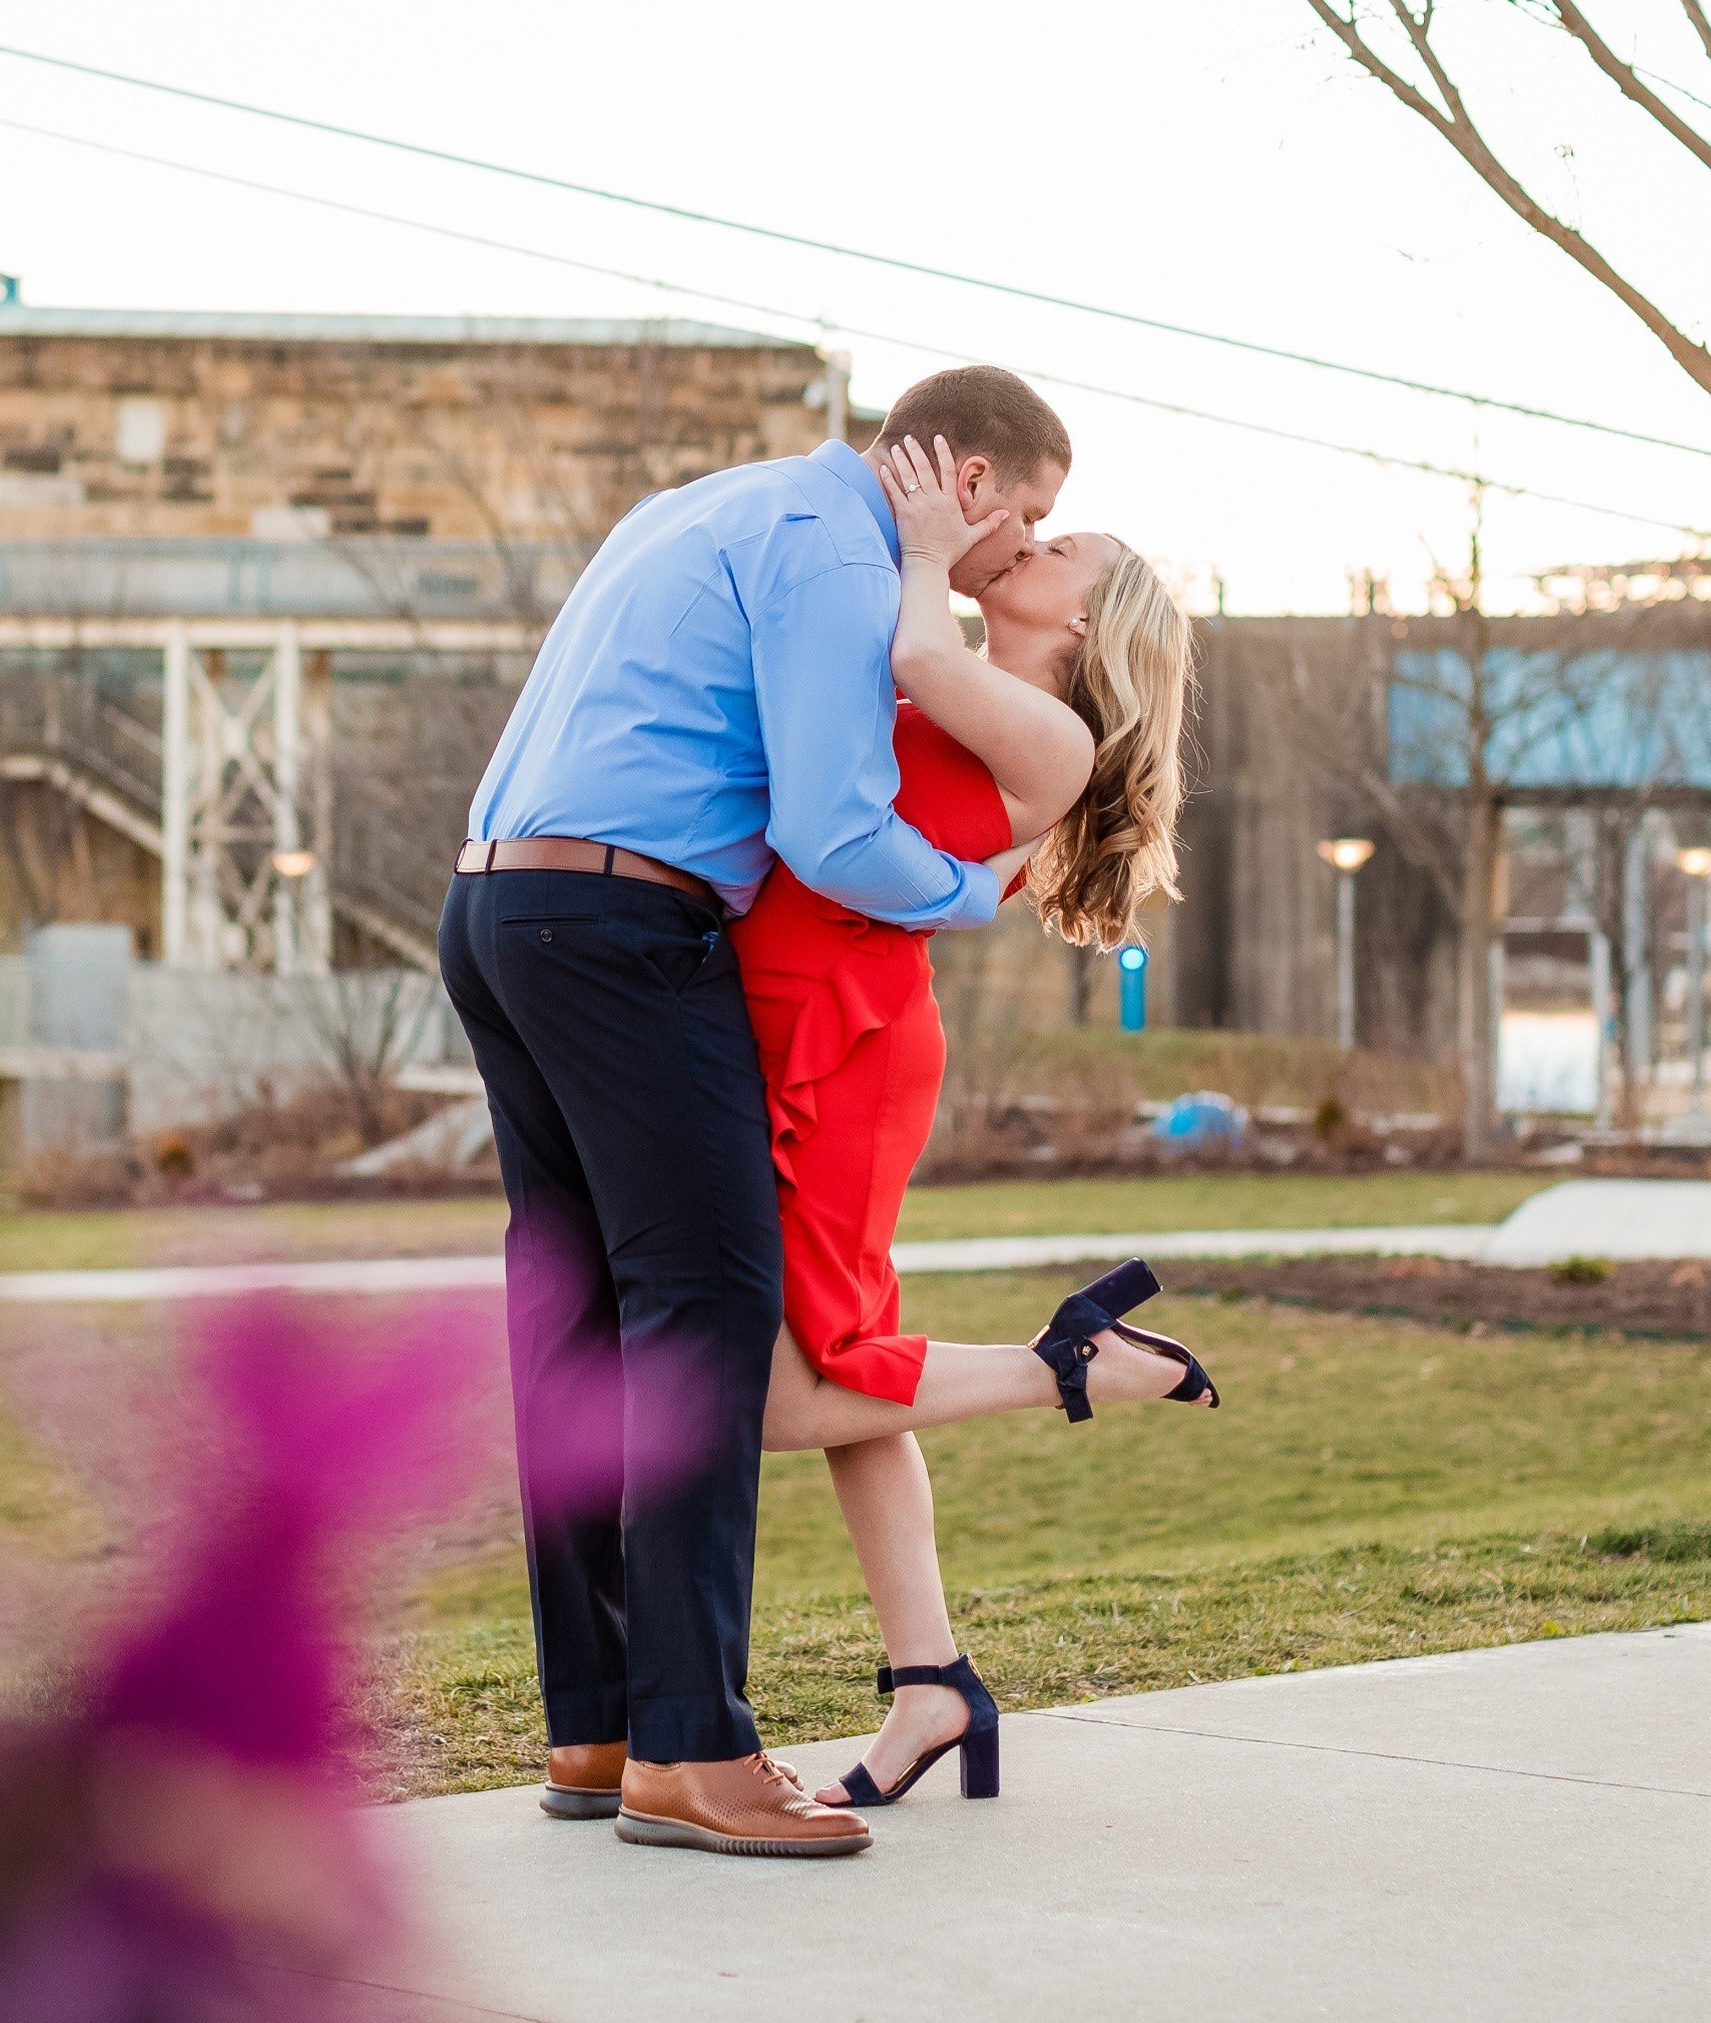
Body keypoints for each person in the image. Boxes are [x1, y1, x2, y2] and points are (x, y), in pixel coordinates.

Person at [437, 366, 1065, 1860]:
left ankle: (595, 1725)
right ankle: (692, 1751)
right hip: (624, 928)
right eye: (1027, 517)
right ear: (968, 481)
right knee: (708, 1304)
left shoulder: (712, 501)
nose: (1013, 554)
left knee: (578, 1323)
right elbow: (833, 825)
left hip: (499, 905)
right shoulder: (845, 555)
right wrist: (976, 891)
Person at [739, 431, 1206, 1812]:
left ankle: (1076, 1362)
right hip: (814, 1019)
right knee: (853, 1372)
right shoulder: (985, 700)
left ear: (1081, 623)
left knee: (787, 1392)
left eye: (1064, 549)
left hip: (847, 1039)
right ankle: (931, 1681)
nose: (1039, 544)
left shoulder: (1036, 725)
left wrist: (928, 550)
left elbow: (911, 661)